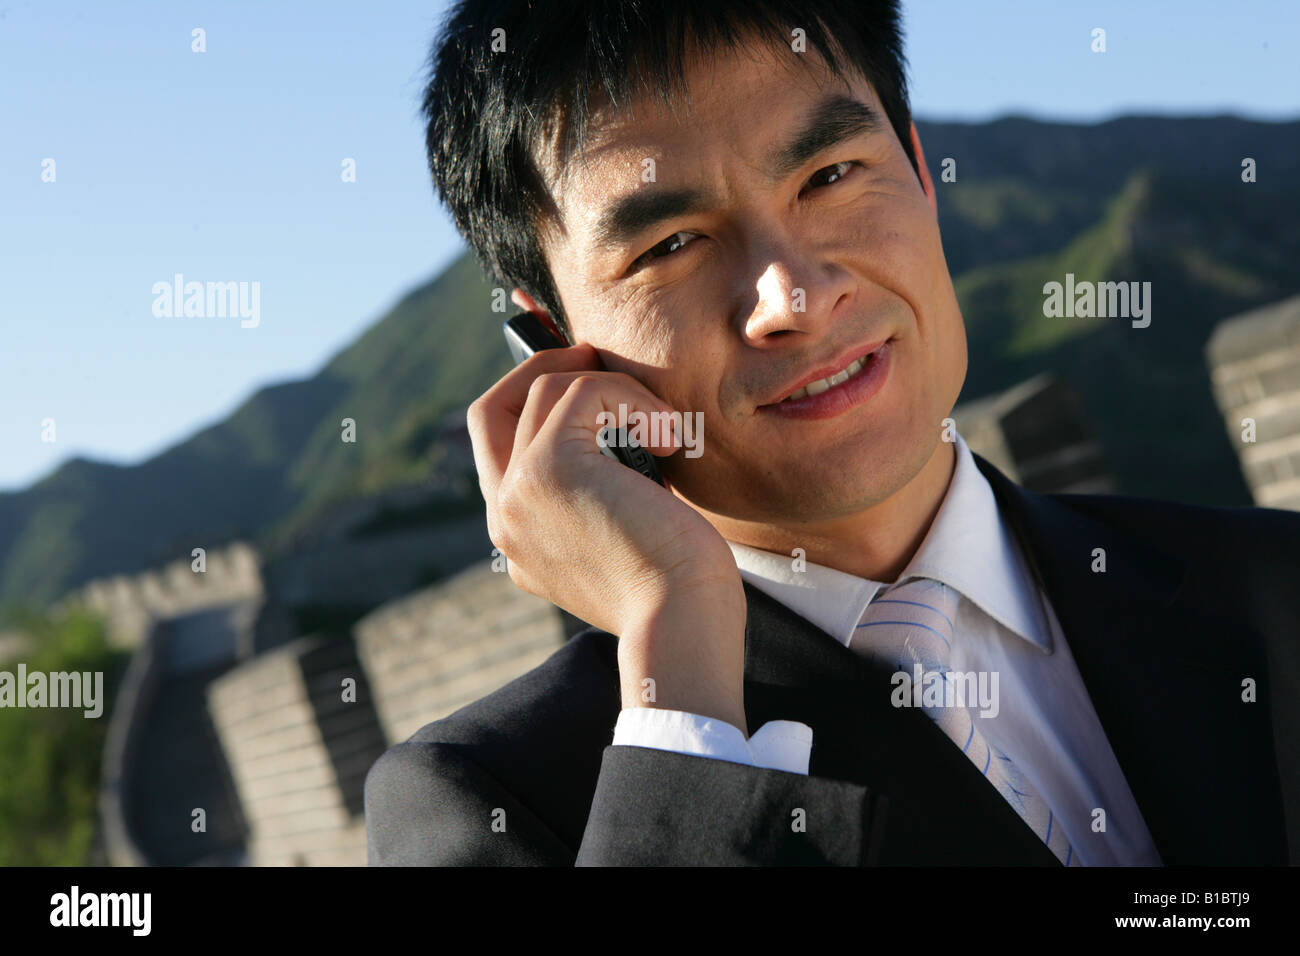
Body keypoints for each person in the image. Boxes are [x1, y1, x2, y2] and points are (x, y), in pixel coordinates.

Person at [363, 0, 1299, 865]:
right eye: (669, 246)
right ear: (552, 341)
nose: (795, 296)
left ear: (923, 173)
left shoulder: (1273, 585)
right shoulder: (495, 799)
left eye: (832, 175)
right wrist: (679, 671)